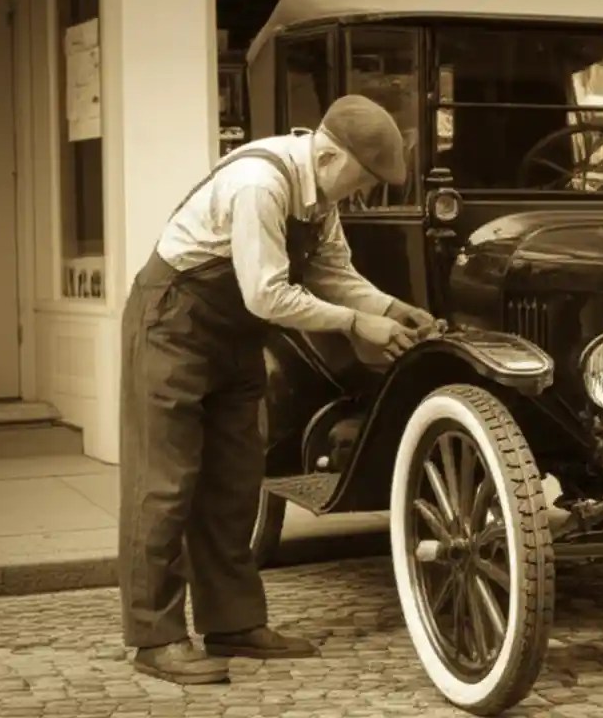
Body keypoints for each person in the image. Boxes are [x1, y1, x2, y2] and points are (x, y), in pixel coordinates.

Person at [117, 94, 437, 685]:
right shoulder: (259, 184)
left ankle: (233, 622)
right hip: (173, 325)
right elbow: (267, 293)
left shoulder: (318, 195)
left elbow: (332, 273)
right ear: (329, 155)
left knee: (235, 481)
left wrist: (392, 307)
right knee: (162, 486)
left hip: (234, 337)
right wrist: (354, 323)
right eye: (363, 179)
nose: (363, 193)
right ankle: (155, 637)